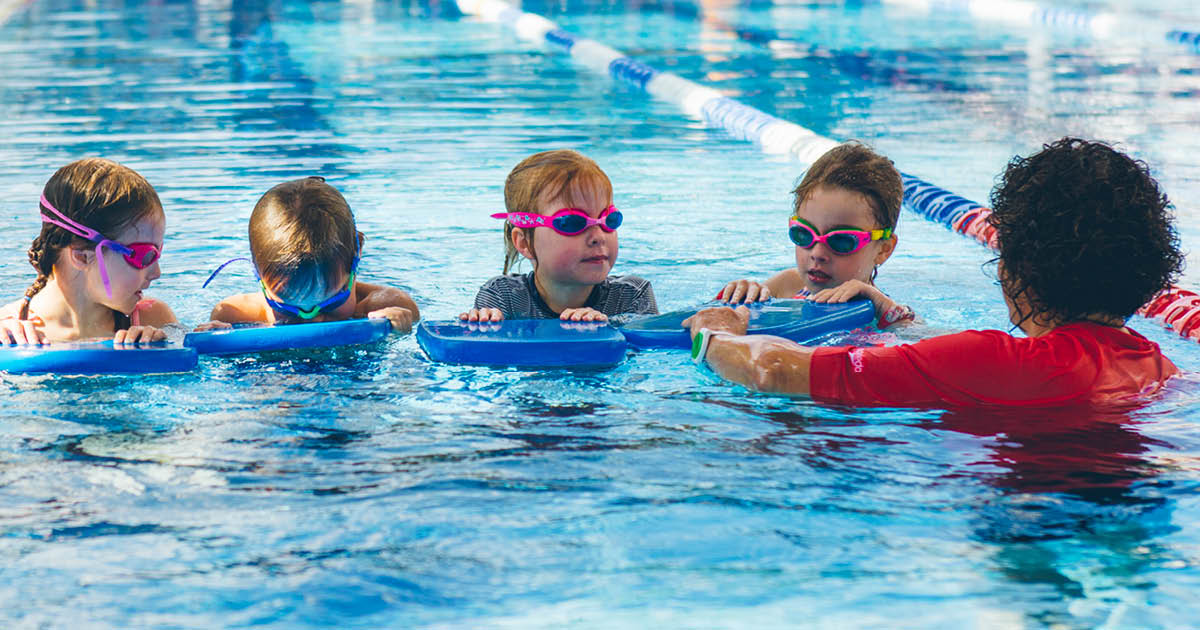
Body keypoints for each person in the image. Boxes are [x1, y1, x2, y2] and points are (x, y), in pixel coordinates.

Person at [685, 138, 1183, 407]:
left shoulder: (990, 360)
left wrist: (713, 331)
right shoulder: (1160, 371)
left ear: (1020, 266)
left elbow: (770, 369)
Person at [716, 142, 915, 328]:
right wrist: (743, 294)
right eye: (803, 234)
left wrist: (885, 311)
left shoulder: (884, 314)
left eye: (841, 240)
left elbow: (925, 343)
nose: (817, 253)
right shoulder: (789, 285)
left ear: (883, 249)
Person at [460, 149, 657, 323]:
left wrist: (609, 327)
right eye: (572, 223)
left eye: (609, 220)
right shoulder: (503, 297)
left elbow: (652, 354)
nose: (598, 236)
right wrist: (483, 325)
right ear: (524, 243)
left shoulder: (631, 295)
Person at [198, 176, 418, 332]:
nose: (312, 321)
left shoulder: (387, 308)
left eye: (331, 303)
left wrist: (394, 336)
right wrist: (213, 343)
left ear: (357, 253)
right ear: (257, 271)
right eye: (287, 307)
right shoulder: (235, 317)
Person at [0, 158, 176, 345]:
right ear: (81, 256)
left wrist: (166, 342)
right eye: (145, 256)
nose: (157, 273)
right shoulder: (7, 328)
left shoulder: (153, 319)